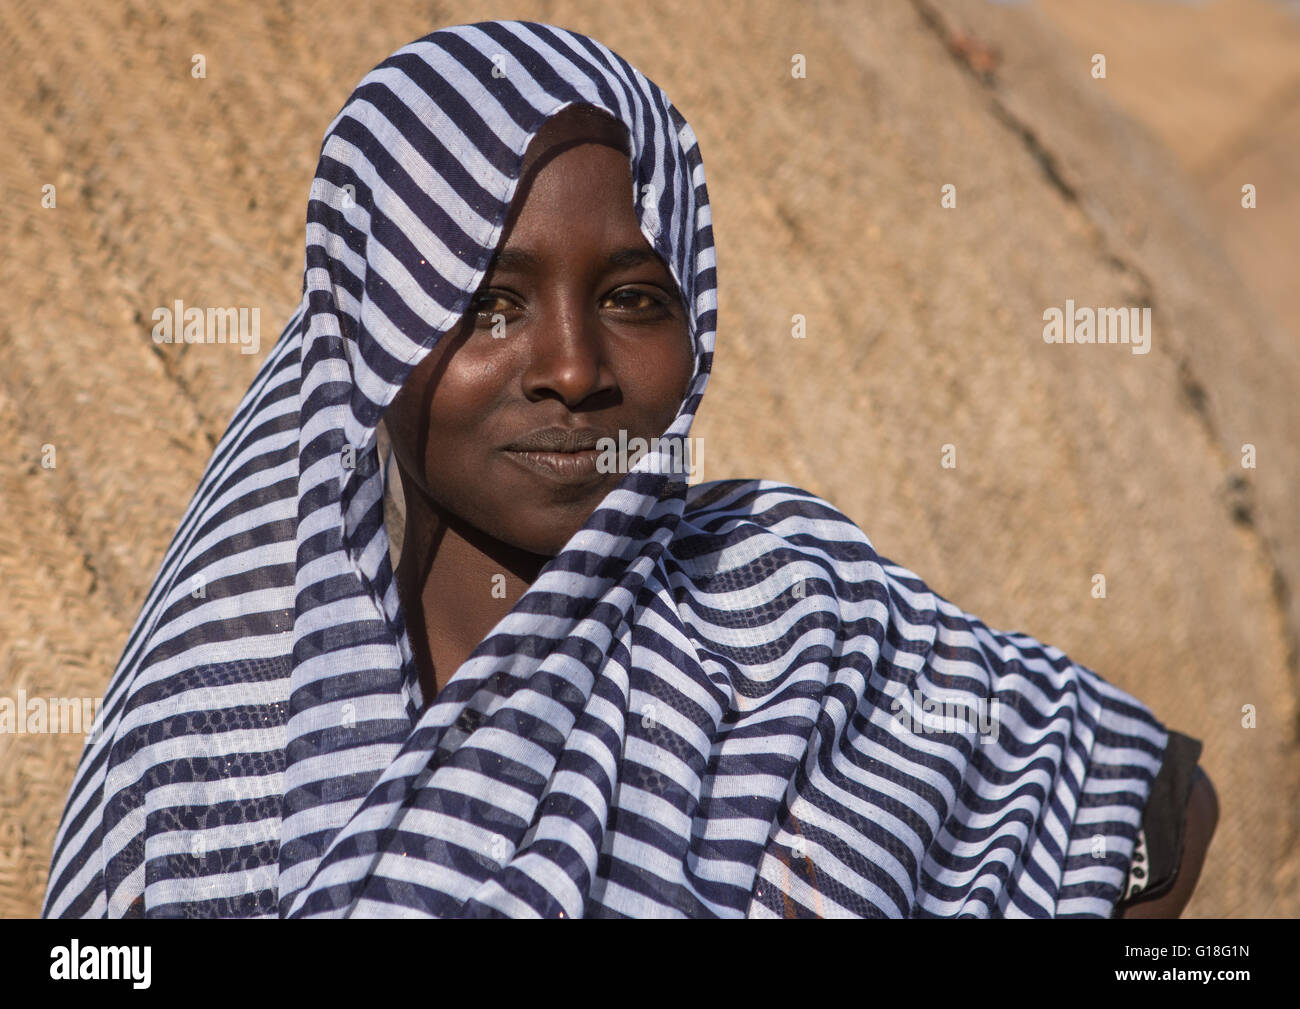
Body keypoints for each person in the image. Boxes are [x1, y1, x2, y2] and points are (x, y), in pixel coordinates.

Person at [42, 19, 1213, 919]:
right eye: (487, 304)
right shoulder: (219, 728)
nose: (571, 367)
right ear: (367, 328)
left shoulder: (789, 606)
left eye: (631, 298)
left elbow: (1149, 801)